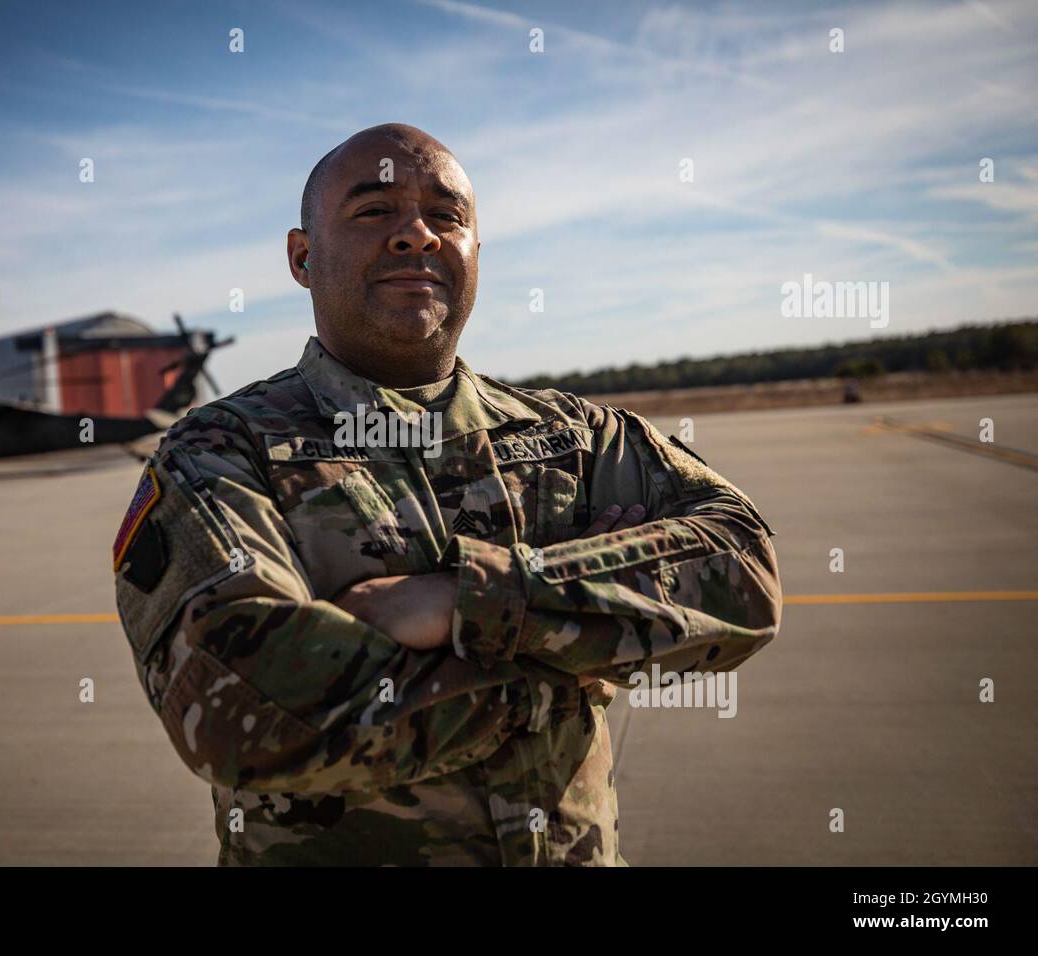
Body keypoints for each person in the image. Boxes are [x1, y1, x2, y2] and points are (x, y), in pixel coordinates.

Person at [113, 124, 782, 866]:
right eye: (374, 211)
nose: (417, 236)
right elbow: (247, 712)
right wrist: (580, 643)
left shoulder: (573, 435)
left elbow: (742, 576)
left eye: (448, 215)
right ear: (303, 258)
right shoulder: (221, 453)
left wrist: (470, 599)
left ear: (475, 253)